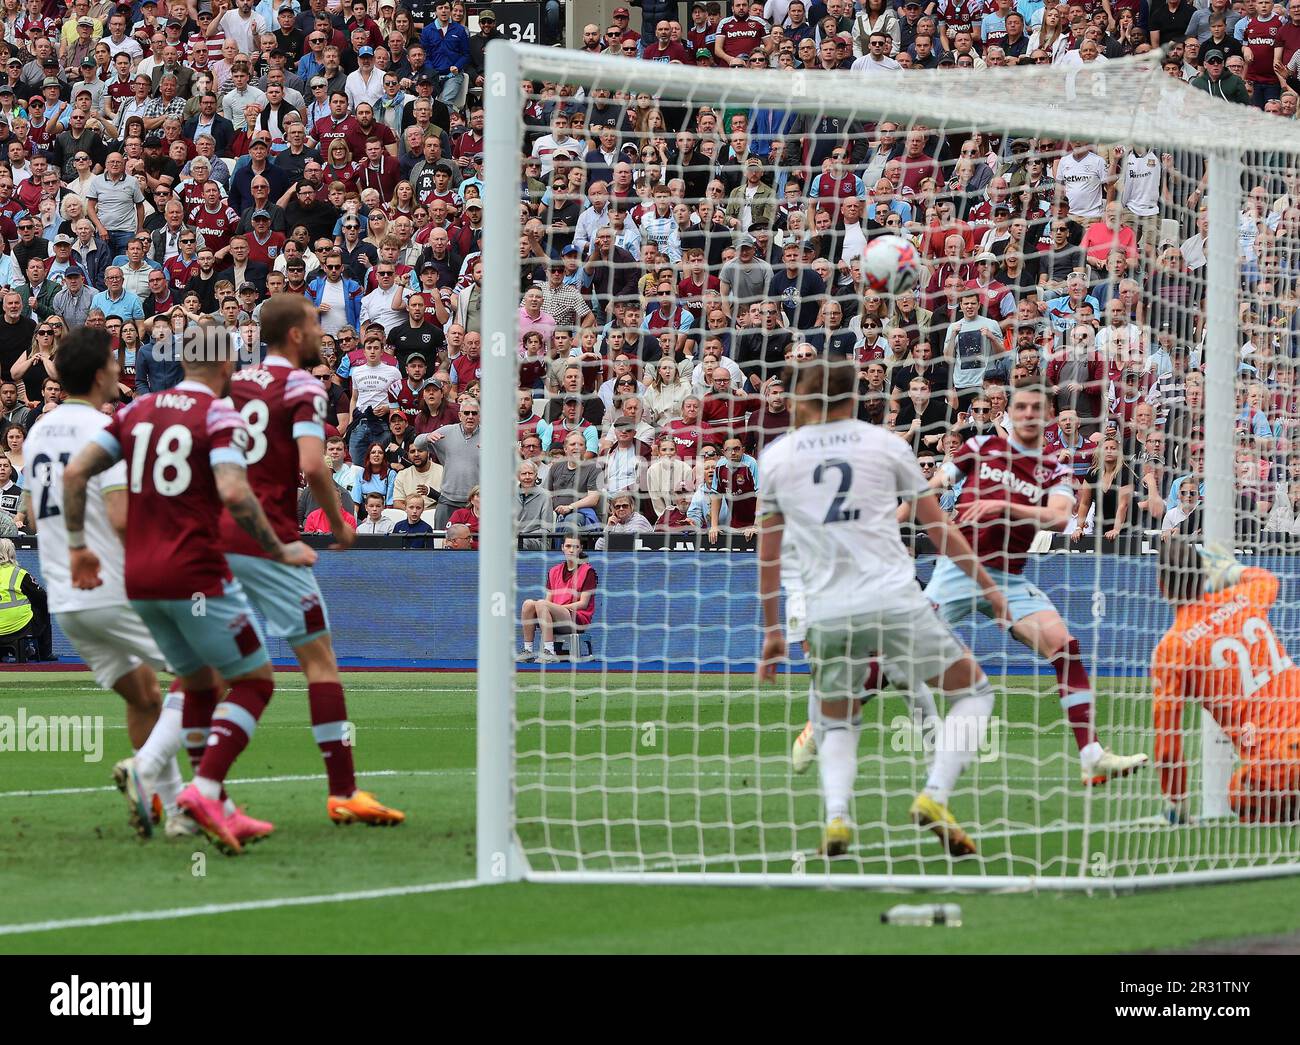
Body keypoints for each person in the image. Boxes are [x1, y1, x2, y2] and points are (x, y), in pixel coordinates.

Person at [62, 327, 317, 856]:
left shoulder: (137, 410)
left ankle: (196, 800)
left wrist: (78, 545)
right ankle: (200, 791)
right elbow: (231, 489)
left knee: (198, 684)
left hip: (139, 577)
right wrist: (277, 546)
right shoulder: (219, 413)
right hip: (195, 573)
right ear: (227, 367)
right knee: (254, 681)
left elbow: (77, 471)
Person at [758, 357, 1009, 858]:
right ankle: (935, 794)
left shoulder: (777, 457)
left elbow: (768, 552)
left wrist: (772, 631)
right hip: (896, 598)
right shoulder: (887, 444)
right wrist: (990, 588)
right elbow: (940, 529)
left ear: (801, 400)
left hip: (826, 609)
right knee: (975, 692)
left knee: (837, 720)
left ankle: (836, 817)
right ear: (858, 398)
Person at [221, 293, 402, 826]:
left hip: (219, 537)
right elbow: (313, 465)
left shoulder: (235, 385)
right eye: (315, 323)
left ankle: (165, 772)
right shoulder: (301, 384)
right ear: (295, 335)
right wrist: (340, 522)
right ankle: (343, 790)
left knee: (209, 670)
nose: (324, 331)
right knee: (320, 663)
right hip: (270, 540)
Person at [920, 381, 1148, 786]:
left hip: (1007, 579)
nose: (1027, 414)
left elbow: (1060, 517)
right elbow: (933, 487)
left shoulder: (1053, 468)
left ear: (1045, 418)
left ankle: (1092, 755)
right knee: (897, 652)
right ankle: (826, 719)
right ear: (1010, 412)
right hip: (957, 570)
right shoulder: (979, 449)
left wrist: (1001, 506)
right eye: (1020, 407)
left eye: (1035, 408)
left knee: (1065, 646)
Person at [22, 328, 188, 835]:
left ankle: (175, 813)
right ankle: (153, 775)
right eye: (114, 363)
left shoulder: (37, 432)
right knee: (215, 668)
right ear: (100, 375)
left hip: (67, 601)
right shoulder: (104, 428)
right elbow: (121, 517)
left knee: (143, 695)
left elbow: (30, 514)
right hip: (113, 589)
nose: (120, 370)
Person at [1152, 540, 1300, 822]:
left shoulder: (1172, 647)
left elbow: (1168, 744)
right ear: (1205, 576)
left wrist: (1176, 803)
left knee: (1239, 793)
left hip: (1283, 759)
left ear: (1162, 587)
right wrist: (1232, 570)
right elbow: (1267, 579)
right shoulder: (1241, 598)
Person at [517, 535, 598, 663]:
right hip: (554, 615)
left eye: (575, 547)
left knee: (542, 604)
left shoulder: (588, 571)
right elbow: (547, 600)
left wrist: (556, 608)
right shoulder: (554, 571)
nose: (571, 550)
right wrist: (549, 608)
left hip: (576, 618)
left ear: (580, 549)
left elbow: (583, 604)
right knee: (528, 604)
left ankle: (549, 652)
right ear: (562, 548)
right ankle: (528, 651)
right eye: (568, 546)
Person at [0, 536, 50, 661]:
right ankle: (45, 653)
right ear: (11, 553)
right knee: (45, 605)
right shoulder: (19, 574)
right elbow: (42, 597)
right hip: (19, 628)